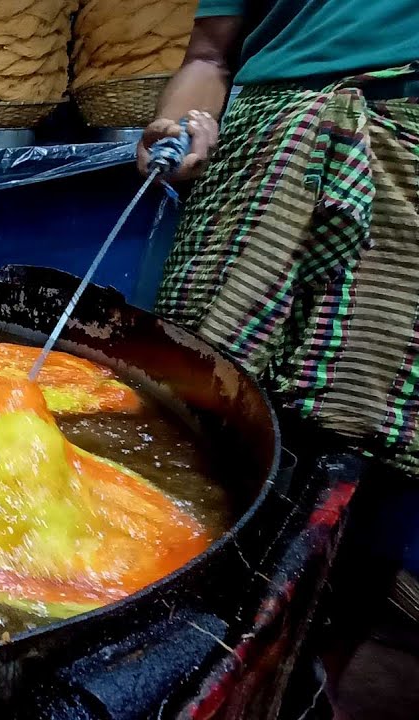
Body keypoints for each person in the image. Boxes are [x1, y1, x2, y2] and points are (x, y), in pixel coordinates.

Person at [138, 2, 419, 717]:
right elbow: (209, 54)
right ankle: (180, 656)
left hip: (410, 162)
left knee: (380, 454)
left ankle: (303, 678)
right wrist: (178, 129)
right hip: (272, 159)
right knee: (204, 411)